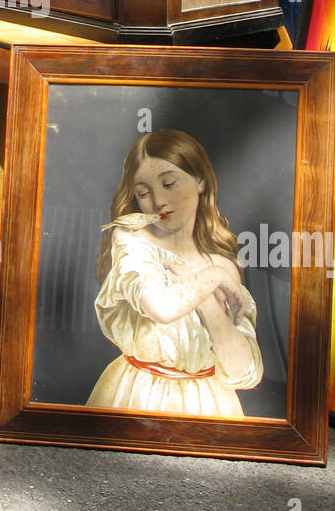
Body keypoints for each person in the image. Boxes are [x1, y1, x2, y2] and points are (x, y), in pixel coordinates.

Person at [87, 129, 263, 418]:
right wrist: (212, 279)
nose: (158, 201)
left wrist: (208, 295)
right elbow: (162, 307)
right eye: (143, 193)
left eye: (169, 183)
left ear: (200, 181)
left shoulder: (222, 263)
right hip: (138, 395)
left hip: (207, 404)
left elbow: (244, 372)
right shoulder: (134, 242)